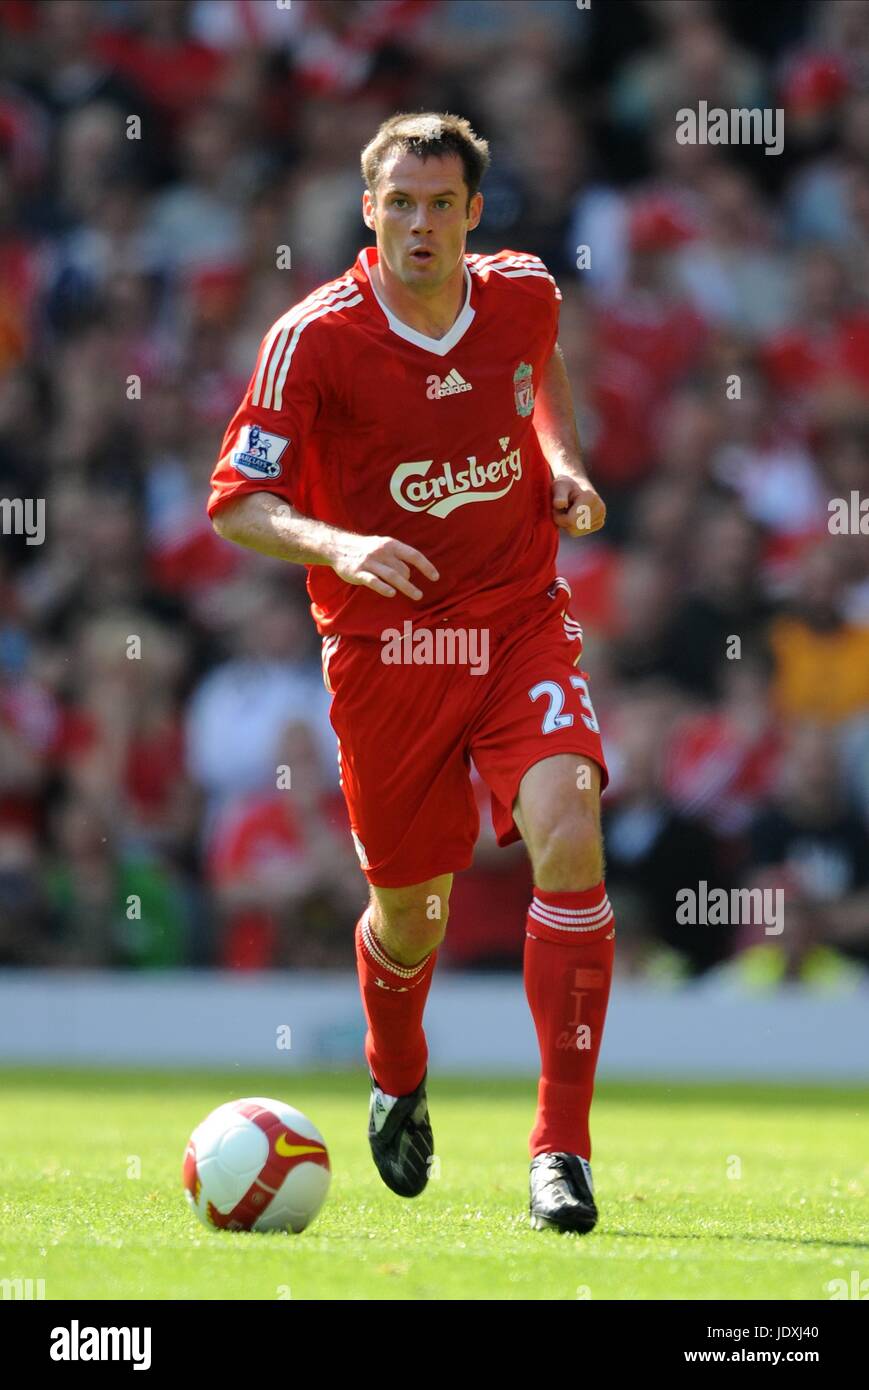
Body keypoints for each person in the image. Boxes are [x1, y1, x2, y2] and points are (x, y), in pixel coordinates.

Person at [207, 112, 613, 1234]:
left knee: (569, 827)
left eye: (442, 204)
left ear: (473, 215)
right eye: (401, 203)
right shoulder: (313, 337)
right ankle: (395, 1067)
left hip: (517, 622)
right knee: (411, 917)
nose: (420, 224)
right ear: (367, 210)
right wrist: (338, 545)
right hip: (387, 655)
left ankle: (558, 1152)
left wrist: (564, 468)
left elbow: (539, 372)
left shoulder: (525, 292)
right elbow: (239, 500)